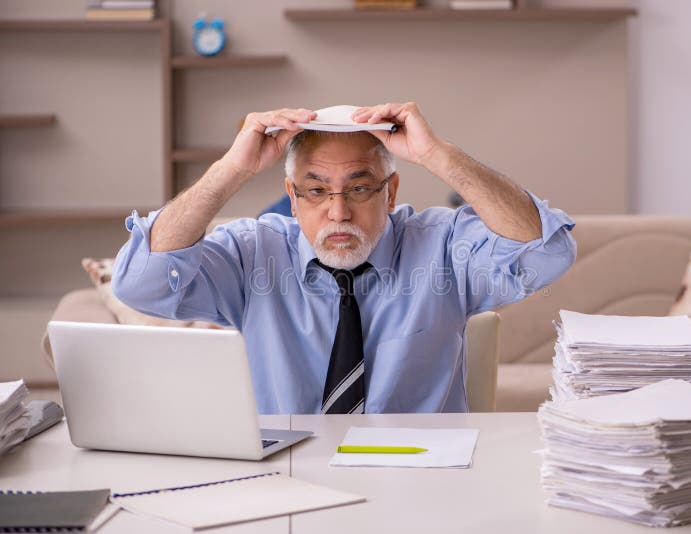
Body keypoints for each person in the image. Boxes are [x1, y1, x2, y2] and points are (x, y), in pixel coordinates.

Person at [112, 102, 577, 414]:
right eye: (316, 191)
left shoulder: (442, 246)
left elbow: (547, 254)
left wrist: (438, 155)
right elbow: (141, 285)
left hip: (423, 474)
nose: (338, 211)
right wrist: (232, 170)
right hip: (285, 475)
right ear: (292, 198)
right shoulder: (252, 251)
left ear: (390, 191)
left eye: (359, 188)